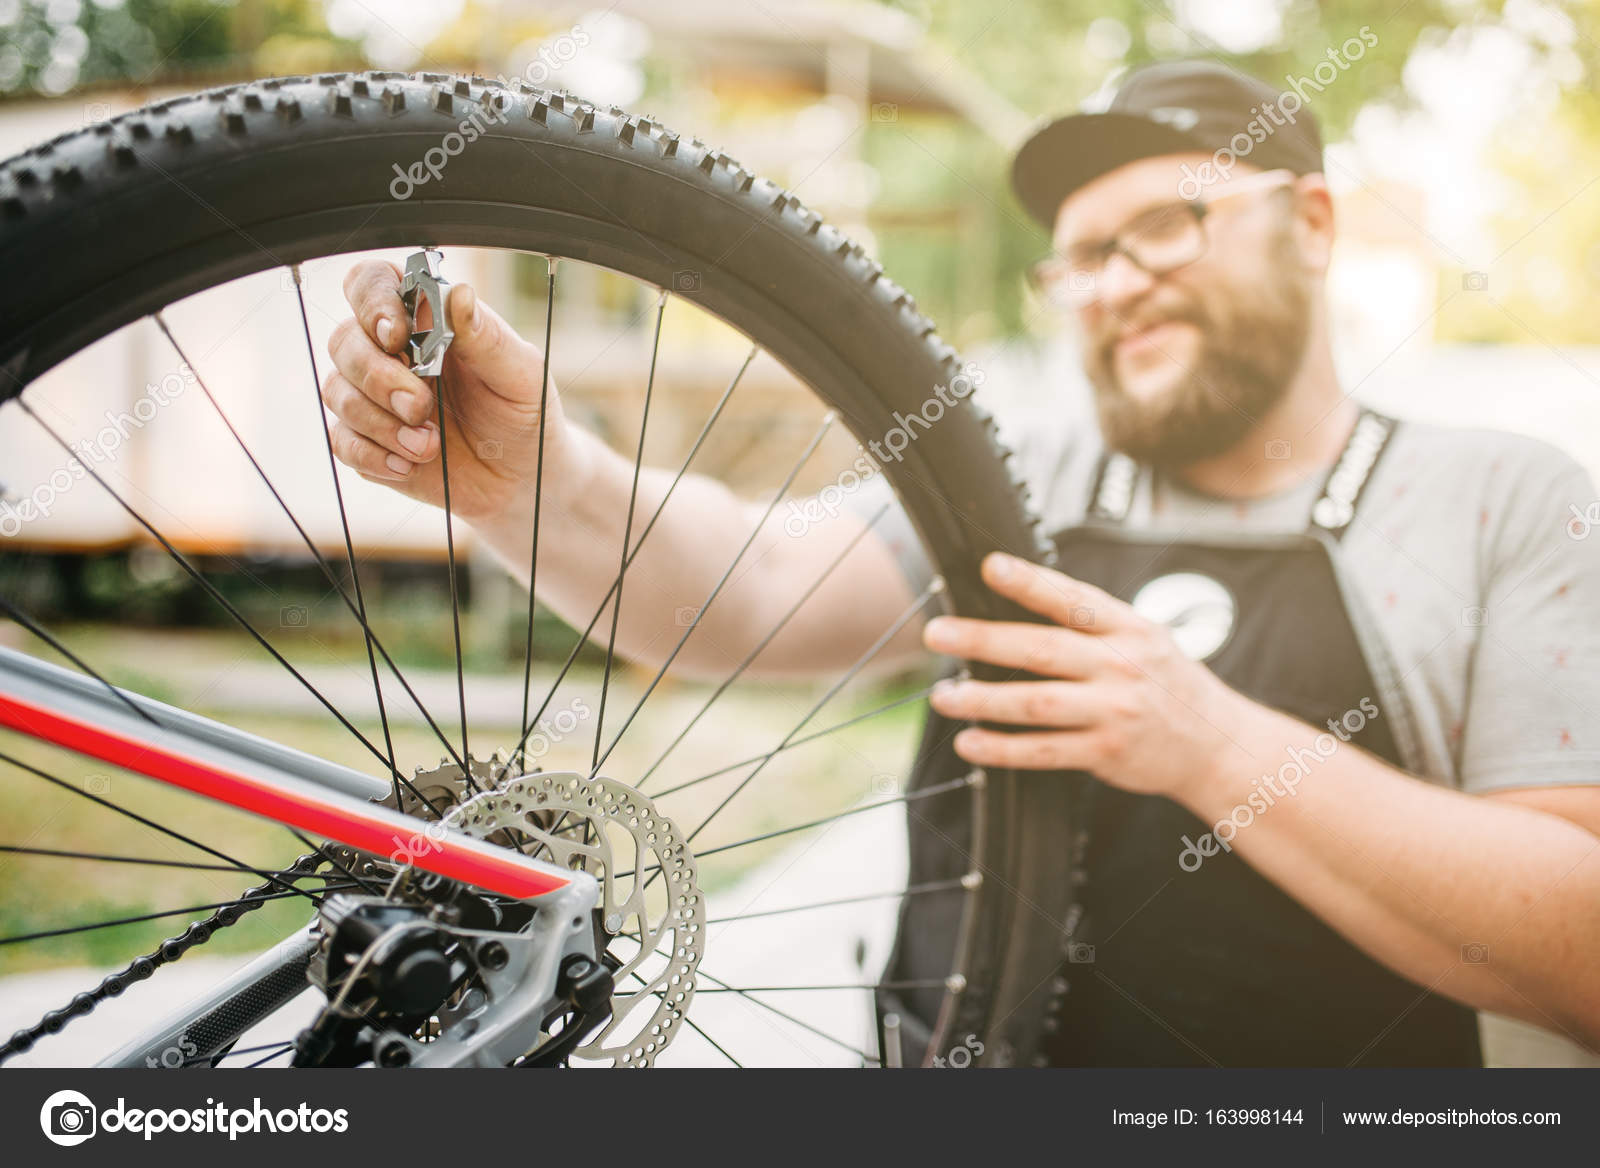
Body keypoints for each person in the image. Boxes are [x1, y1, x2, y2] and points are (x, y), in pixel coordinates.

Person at [322, 59, 1600, 1066]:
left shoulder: (1499, 499)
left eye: (1163, 226)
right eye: (1082, 257)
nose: (1114, 285)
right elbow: (754, 592)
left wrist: (1207, 742)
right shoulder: (1013, 469)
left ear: (1311, 222)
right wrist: (537, 477)